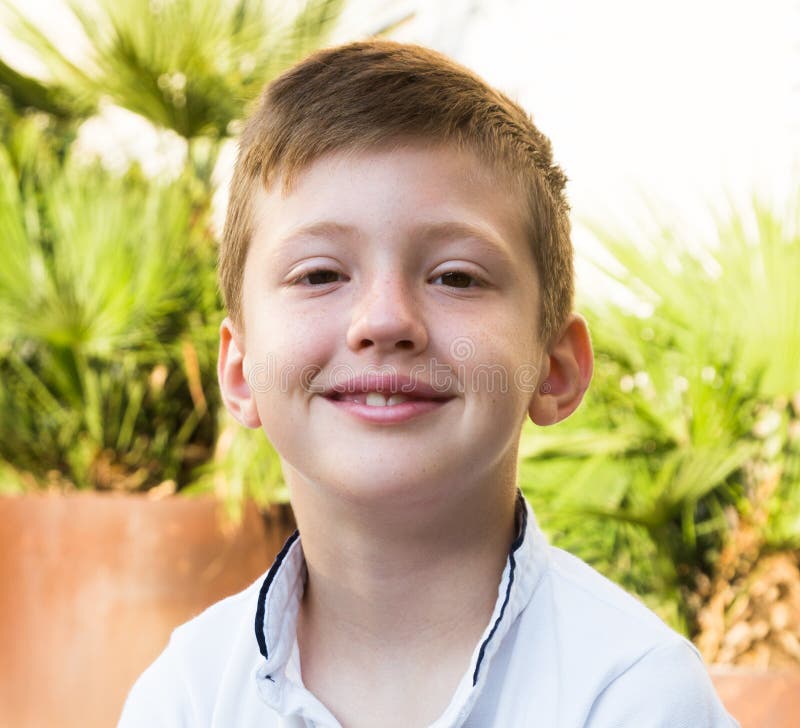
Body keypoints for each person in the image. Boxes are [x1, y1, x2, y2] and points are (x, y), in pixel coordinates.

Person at [118, 40, 738, 727]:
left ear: (555, 368)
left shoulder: (632, 696)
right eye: (320, 274)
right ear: (239, 373)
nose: (384, 320)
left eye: (455, 277)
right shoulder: (186, 698)